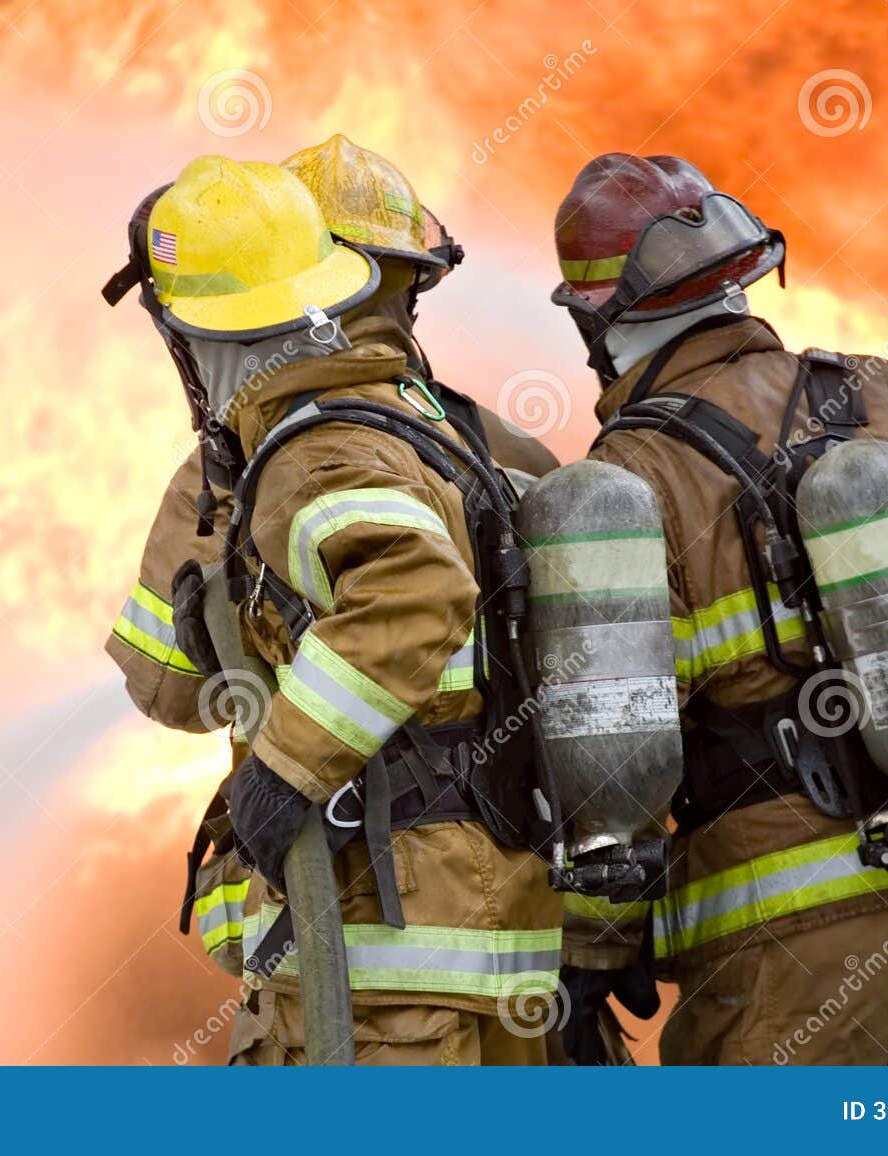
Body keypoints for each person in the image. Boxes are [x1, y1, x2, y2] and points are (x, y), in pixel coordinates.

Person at [551, 152, 888, 1065]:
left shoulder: (621, 490)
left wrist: (592, 949)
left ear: (599, 323)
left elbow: (615, 784)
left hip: (782, 959)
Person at [107, 153, 561, 1065]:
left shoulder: (290, 459)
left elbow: (165, 685)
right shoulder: (474, 444)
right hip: (511, 941)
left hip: (372, 943)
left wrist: (284, 770)